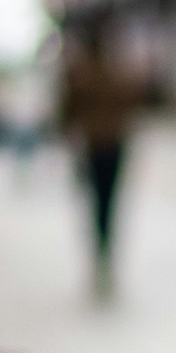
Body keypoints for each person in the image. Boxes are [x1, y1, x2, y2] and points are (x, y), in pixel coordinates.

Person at [57, 23, 156, 303]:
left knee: (96, 203)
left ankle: (101, 254)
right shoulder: (117, 74)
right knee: (107, 202)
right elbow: (136, 104)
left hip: (94, 145)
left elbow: (67, 111)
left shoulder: (83, 74)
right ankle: (104, 253)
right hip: (111, 145)